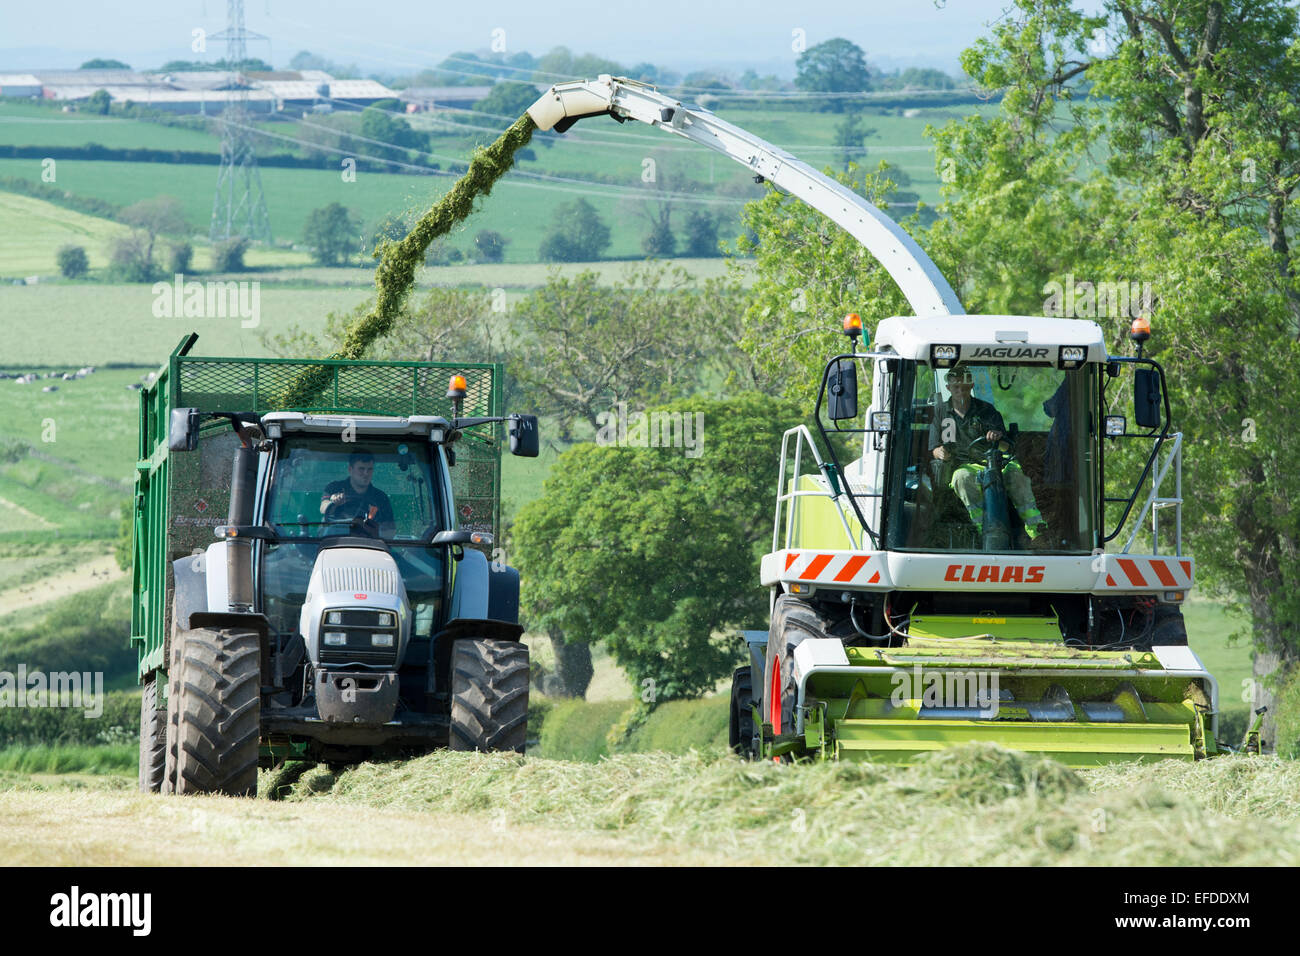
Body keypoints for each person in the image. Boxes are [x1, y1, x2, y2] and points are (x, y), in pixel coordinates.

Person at [928, 365, 1045, 539]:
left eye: (965, 387)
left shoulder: (987, 410)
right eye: (956, 387)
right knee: (962, 478)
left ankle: (1037, 530)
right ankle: (983, 529)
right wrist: (940, 453)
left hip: (997, 462)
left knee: (1016, 476)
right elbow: (934, 448)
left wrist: (998, 438)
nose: (961, 391)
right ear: (948, 388)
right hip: (963, 465)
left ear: (972, 386)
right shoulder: (940, 412)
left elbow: (1007, 447)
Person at [320, 451, 395, 536]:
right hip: (335, 541)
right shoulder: (334, 488)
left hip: (370, 544)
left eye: (369, 469)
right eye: (361, 469)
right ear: (350, 469)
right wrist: (333, 502)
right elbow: (323, 508)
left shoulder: (380, 497)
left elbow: (390, 531)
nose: (366, 473)